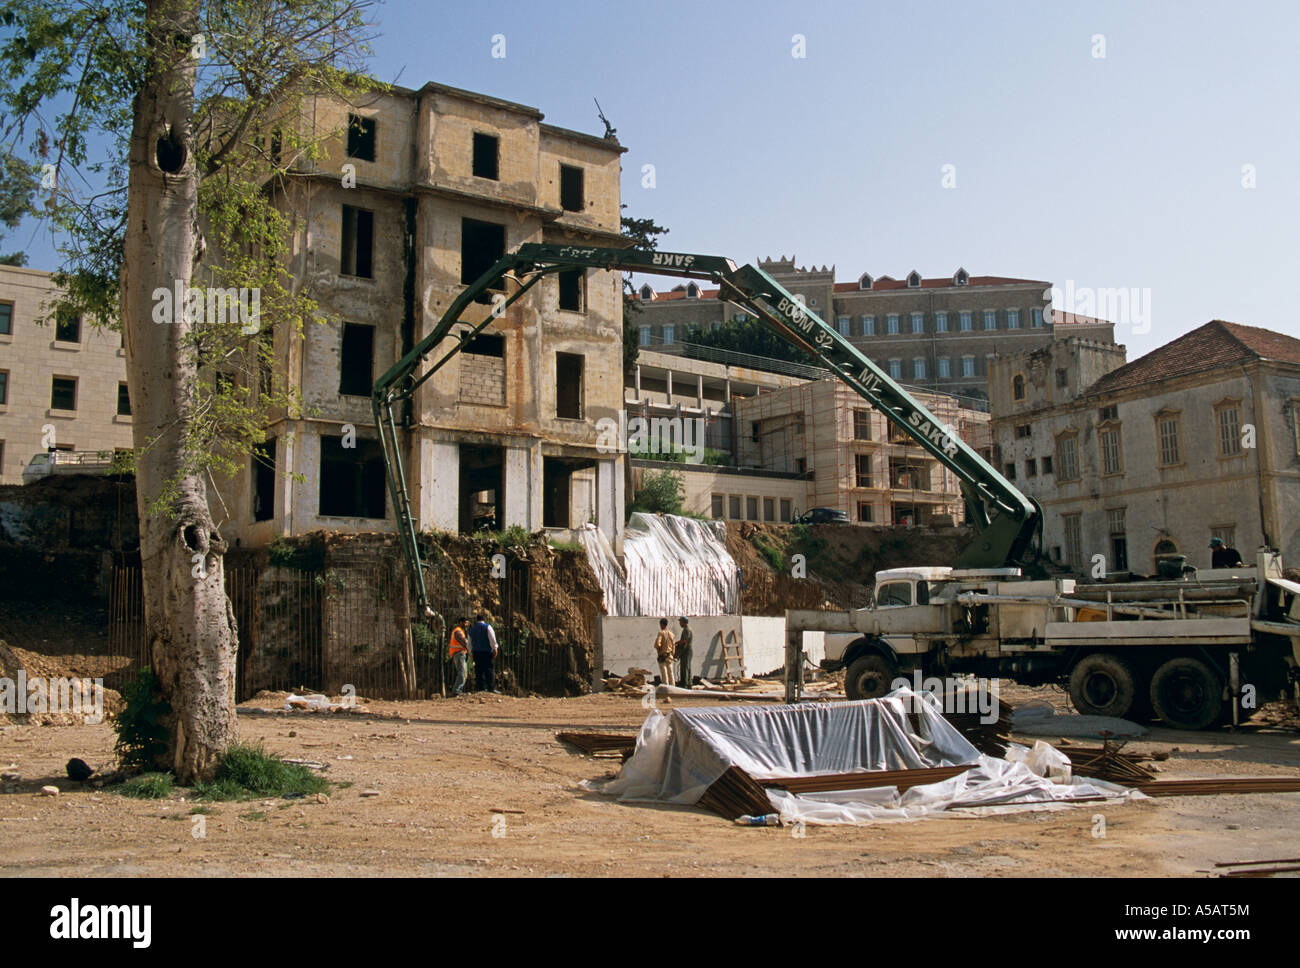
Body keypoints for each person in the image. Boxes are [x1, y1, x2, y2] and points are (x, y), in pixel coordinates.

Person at [469, 612, 499, 693]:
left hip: (476, 652)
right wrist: (495, 648)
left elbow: (469, 643)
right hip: (487, 652)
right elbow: (492, 639)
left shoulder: (472, 629)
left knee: (479, 670)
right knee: (489, 670)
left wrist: (470, 653)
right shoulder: (487, 627)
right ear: (484, 619)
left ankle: (480, 688)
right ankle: (490, 688)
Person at [447, 617, 469, 695]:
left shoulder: (459, 631)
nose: (466, 624)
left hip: (459, 654)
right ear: (460, 622)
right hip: (459, 654)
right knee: (462, 673)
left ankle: (458, 690)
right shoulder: (458, 631)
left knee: (463, 673)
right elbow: (464, 642)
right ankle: (456, 690)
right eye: (465, 623)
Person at [653, 618, 675, 687]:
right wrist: (672, 654)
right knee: (671, 673)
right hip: (670, 656)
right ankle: (673, 687)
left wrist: (659, 651)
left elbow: (657, 644)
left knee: (664, 673)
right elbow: (673, 646)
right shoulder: (671, 634)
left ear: (661, 624)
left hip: (663, 656)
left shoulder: (661, 633)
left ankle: (666, 688)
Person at [676, 617, 693, 688]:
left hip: (687, 650)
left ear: (684, 622)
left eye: (681, 622)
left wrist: (676, 643)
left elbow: (684, 641)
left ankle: (686, 683)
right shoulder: (686, 629)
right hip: (685, 650)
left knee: (685, 667)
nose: (680, 623)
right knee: (684, 666)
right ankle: (686, 682)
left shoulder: (687, 630)